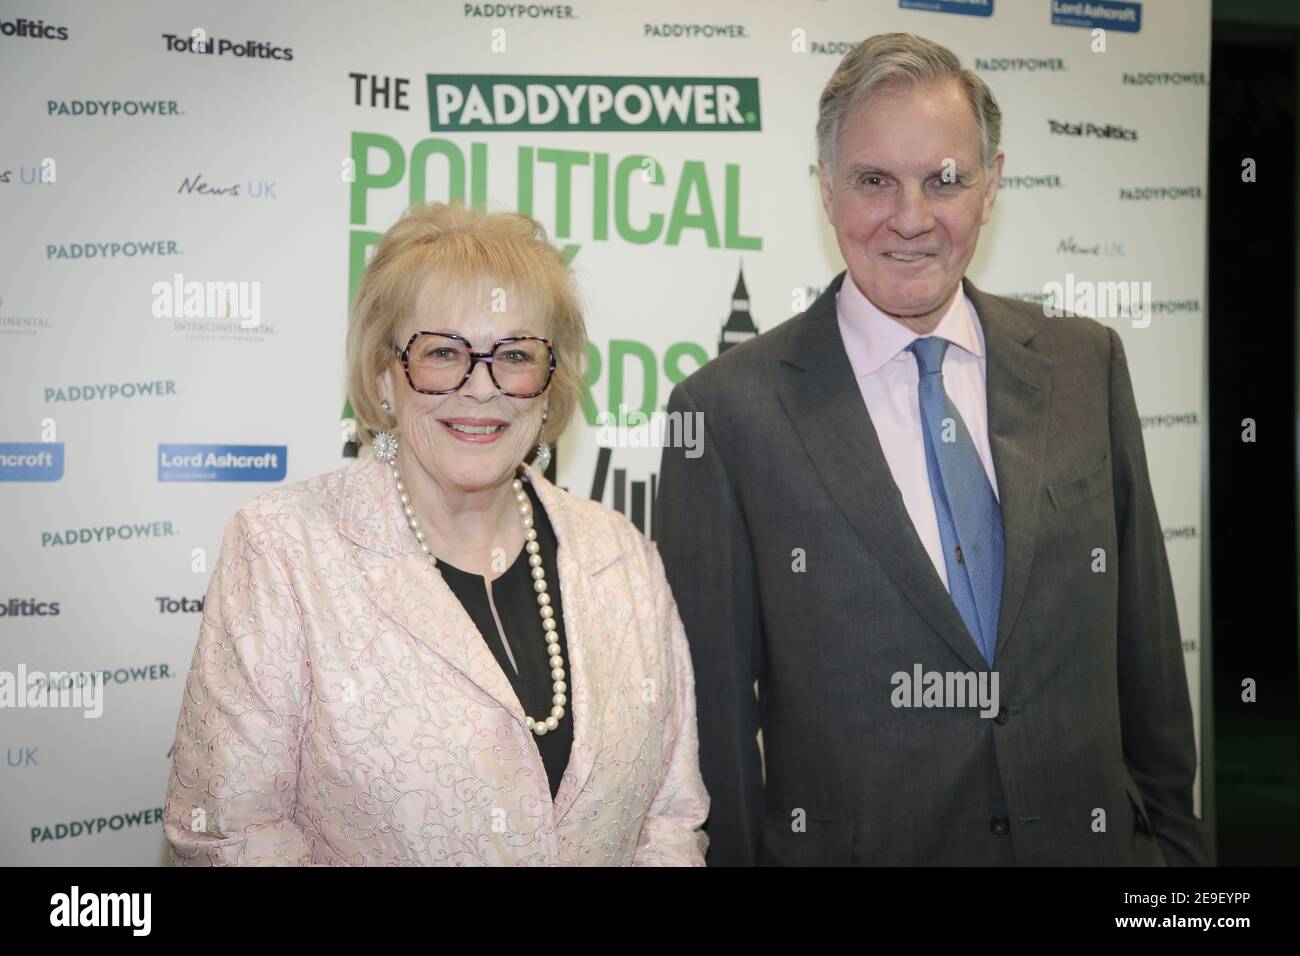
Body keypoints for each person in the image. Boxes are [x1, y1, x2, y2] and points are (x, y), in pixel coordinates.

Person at [654, 32, 1209, 865]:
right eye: (874, 180)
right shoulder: (726, 414)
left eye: (944, 180)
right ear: (827, 192)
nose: (910, 218)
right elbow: (714, 738)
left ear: (990, 188)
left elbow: (1152, 667)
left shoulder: (1084, 363)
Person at [164, 201, 708, 865]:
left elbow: (671, 817)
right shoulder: (285, 548)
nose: (481, 389)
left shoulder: (620, 554)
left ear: (550, 383)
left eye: (515, 354)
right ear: (381, 376)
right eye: (443, 352)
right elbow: (230, 831)